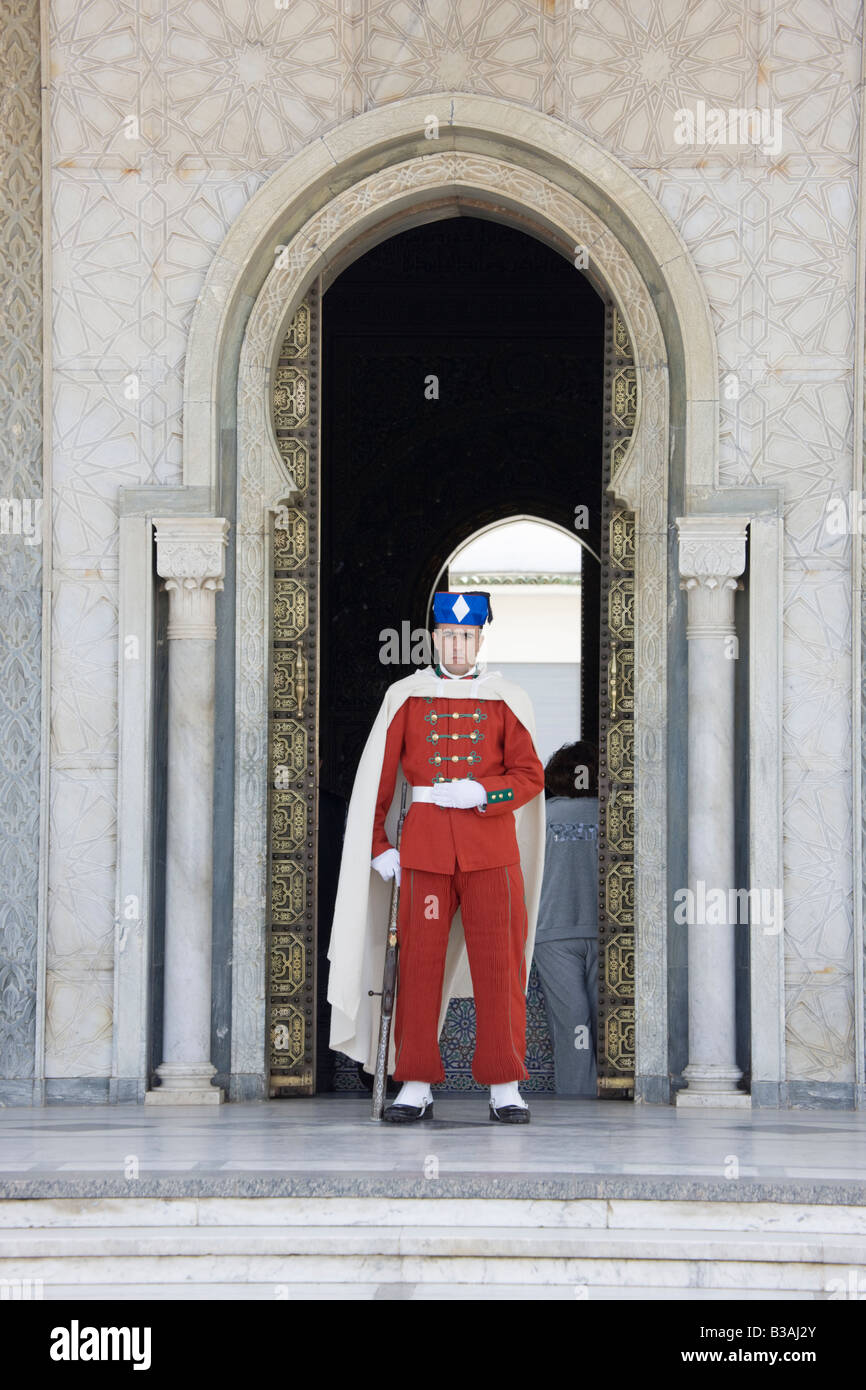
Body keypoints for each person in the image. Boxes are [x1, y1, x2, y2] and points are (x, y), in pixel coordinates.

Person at [326, 590, 546, 1123]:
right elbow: (379, 775)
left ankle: (505, 1084)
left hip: (490, 850)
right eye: (448, 635)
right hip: (423, 851)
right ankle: (415, 1081)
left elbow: (530, 776)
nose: (457, 645)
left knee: (500, 966)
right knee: (418, 968)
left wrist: (484, 793)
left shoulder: (506, 697)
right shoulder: (407, 695)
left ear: (479, 640)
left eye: (467, 636)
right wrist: (379, 846)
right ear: (434, 639)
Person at [533, 740, 600, 1096]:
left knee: (573, 1021)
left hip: (552, 932)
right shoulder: (615, 814)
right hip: (608, 933)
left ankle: (578, 1100)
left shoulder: (541, 817)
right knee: (605, 1021)